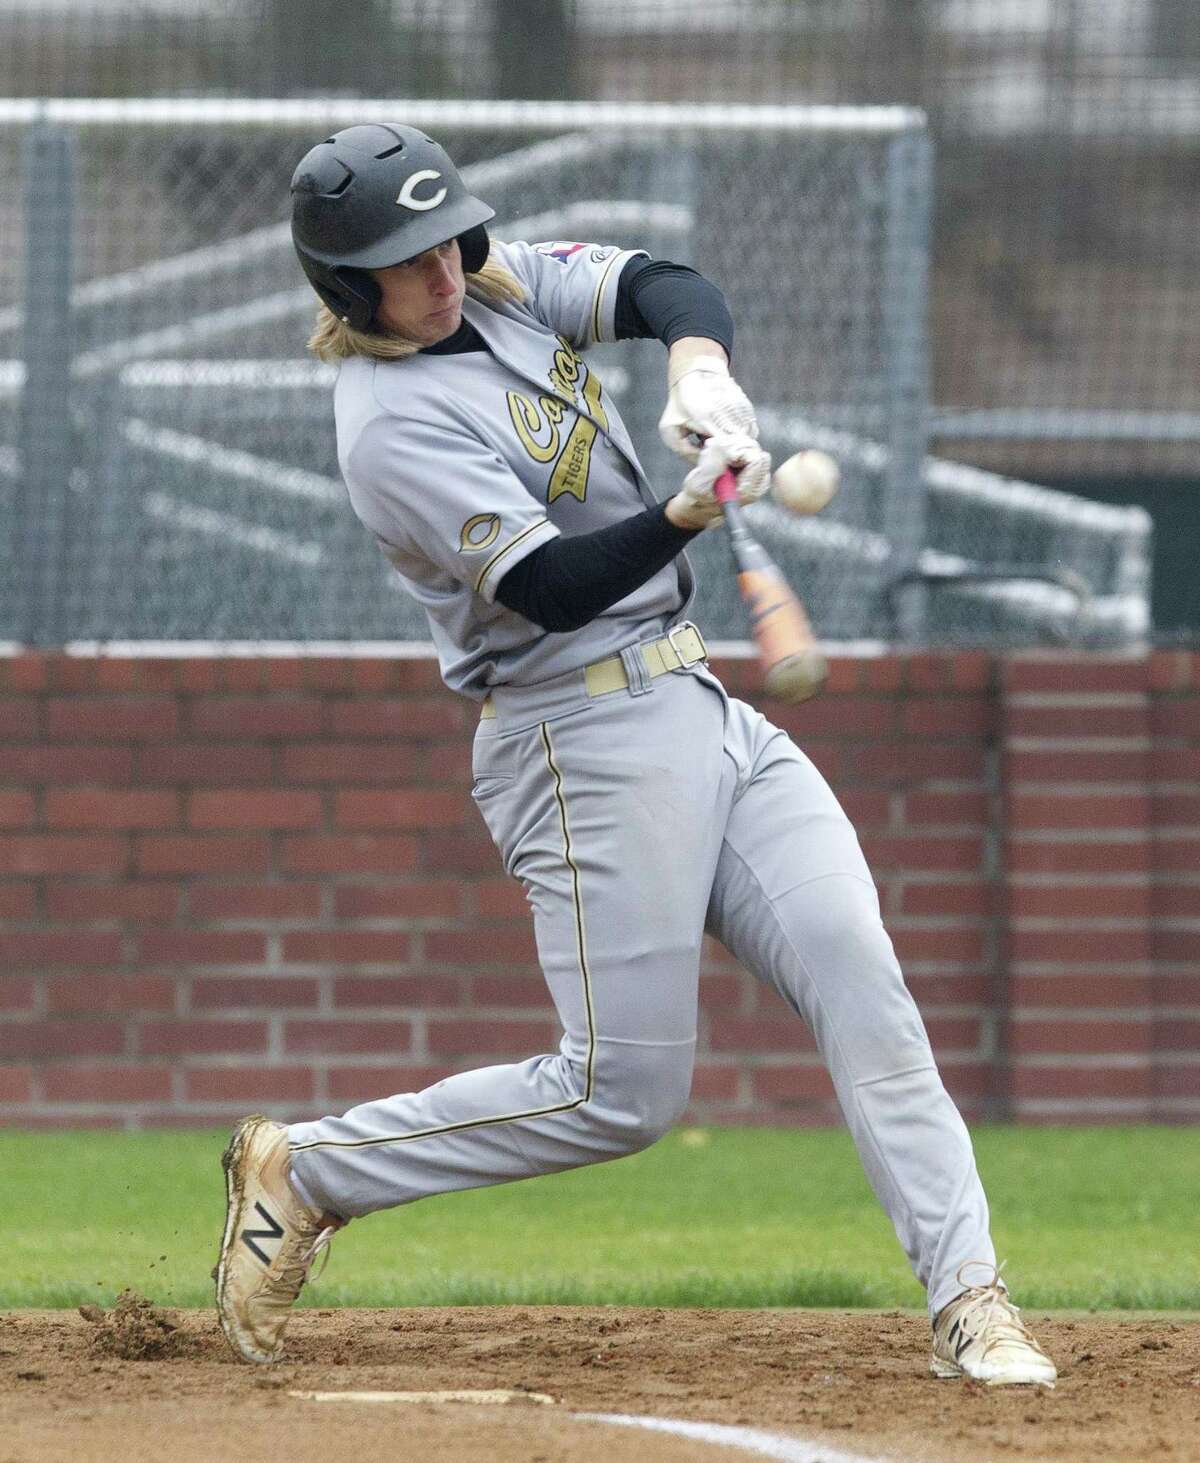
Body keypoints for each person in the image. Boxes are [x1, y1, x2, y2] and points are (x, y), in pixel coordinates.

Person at [215, 122, 1056, 1388]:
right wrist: (684, 510)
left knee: (860, 974)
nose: (441, 268)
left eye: (447, 236)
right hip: (576, 736)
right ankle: (314, 1169)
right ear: (349, 286)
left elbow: (657, 281)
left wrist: (700, 370)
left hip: (698, 700)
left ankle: (972, 1298)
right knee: (621, 1093)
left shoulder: (495, 292)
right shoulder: (386, 425)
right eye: (406, 257)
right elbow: (551, 586)